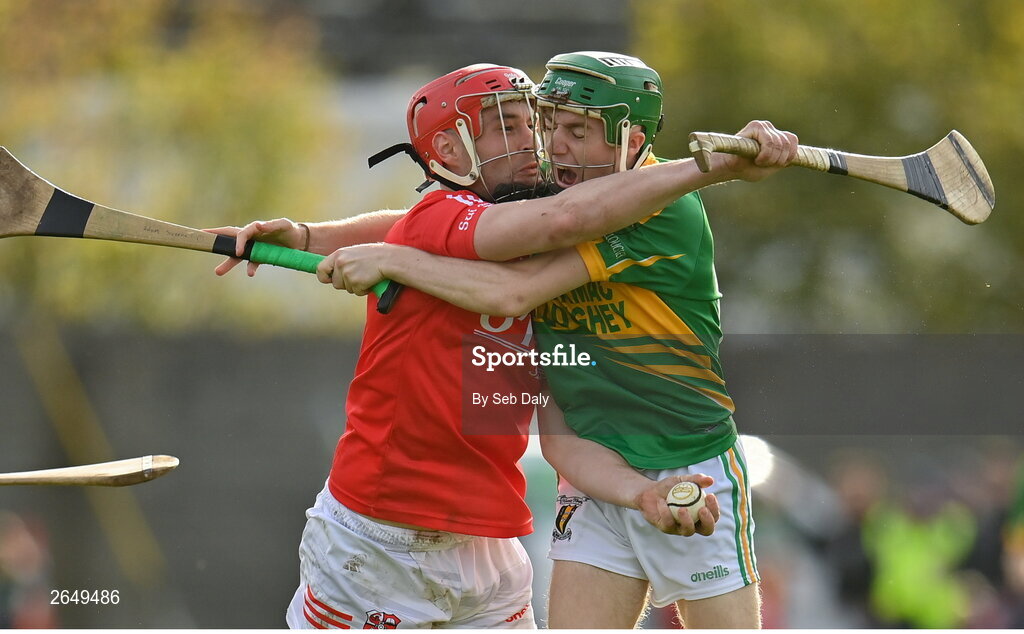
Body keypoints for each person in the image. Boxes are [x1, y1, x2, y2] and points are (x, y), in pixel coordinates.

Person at [212, 58, 797, 628]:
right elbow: (429, 224)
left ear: (630, 137)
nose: (543, 144)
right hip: (387, 527)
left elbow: (526, 261)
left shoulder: (597, 215)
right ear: (450, 151)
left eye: (547, 126)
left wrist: (712, 168)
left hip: (515, 527)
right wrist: (317, 235)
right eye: (522, 126)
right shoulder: (493, 216)